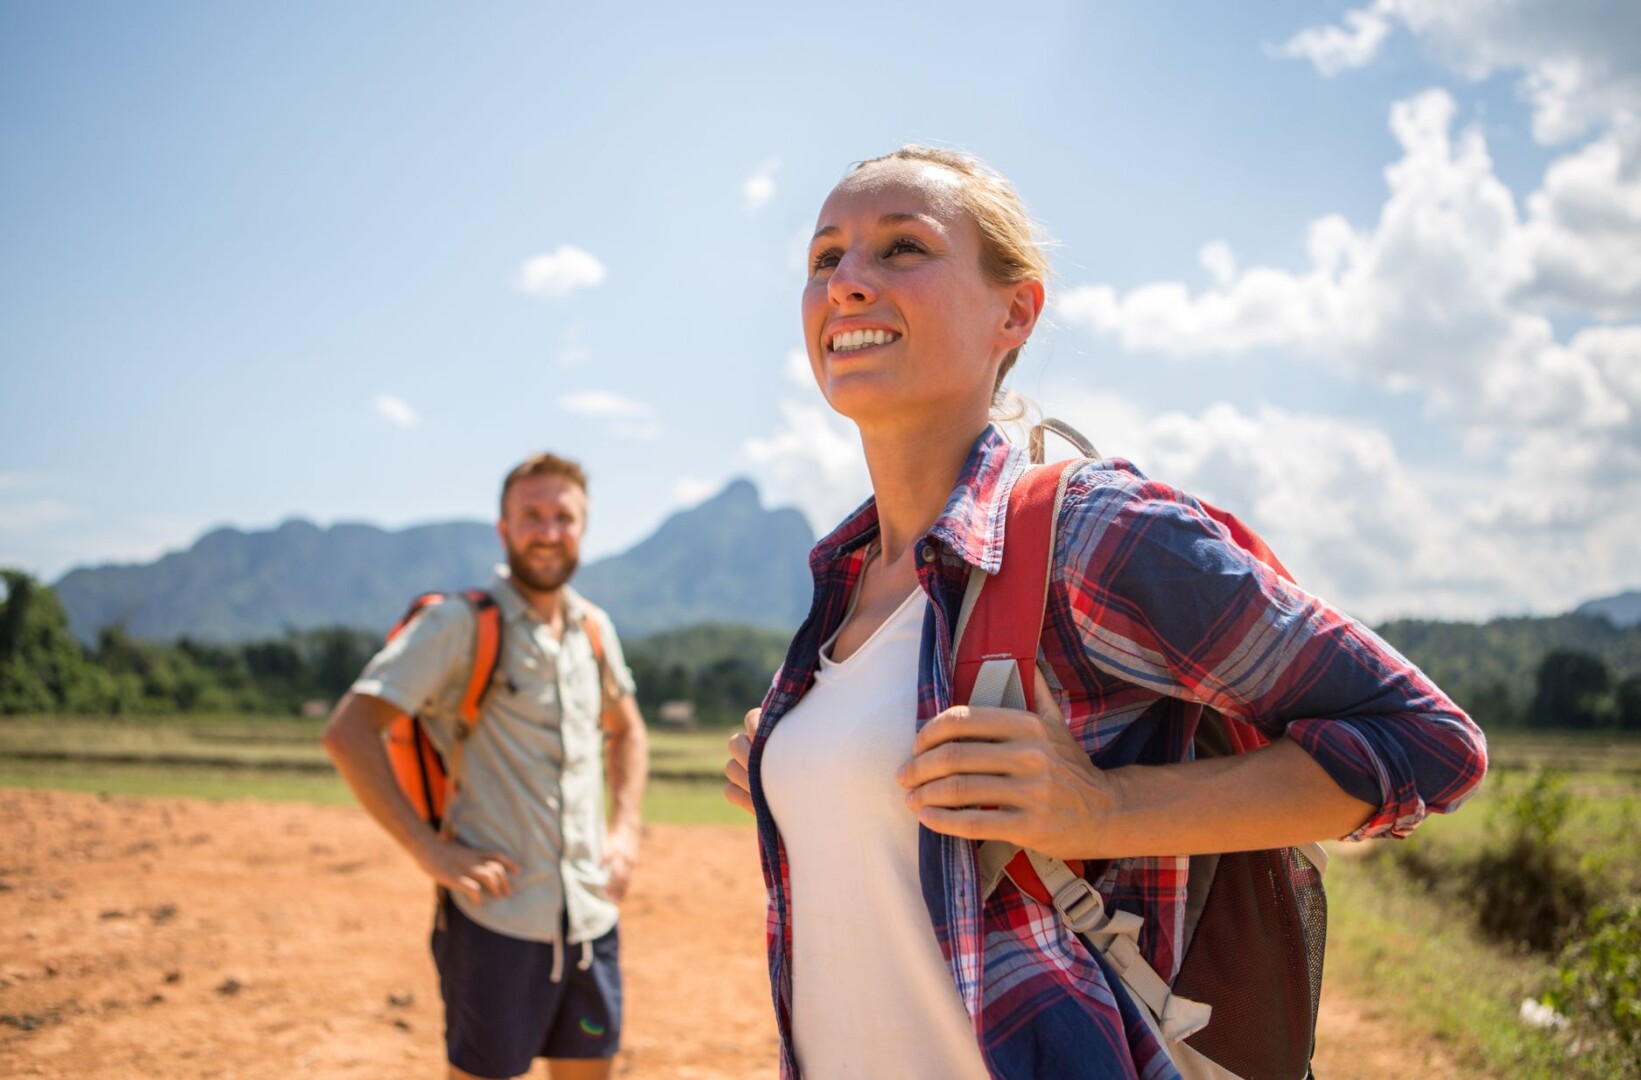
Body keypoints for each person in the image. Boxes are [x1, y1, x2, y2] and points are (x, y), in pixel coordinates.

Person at [723, 146, 1488, 1080]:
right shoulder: (845, 580)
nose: (846, 283)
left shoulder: (1089, 534)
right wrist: (791, 757)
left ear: (1016, 311)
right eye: (824, 258)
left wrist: (1103, 808)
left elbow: (1425, 739)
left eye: (901, 249)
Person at [323, 452, 648, 1080]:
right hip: (495, 918)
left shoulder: (595, 630)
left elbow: (627, 730)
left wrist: (626, 830)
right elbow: (349, 733)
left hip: (588, 916)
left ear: (583, 528)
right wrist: (427, 851)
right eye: (532, 516)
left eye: (563, 517)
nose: (548, 531)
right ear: (503, 529)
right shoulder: (458, 624)